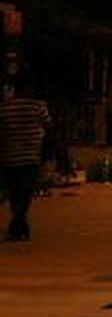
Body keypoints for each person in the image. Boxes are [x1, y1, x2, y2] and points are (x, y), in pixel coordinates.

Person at [1, 75, 52, 241]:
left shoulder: (5, 108)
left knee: (15, 194)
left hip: (10, 157)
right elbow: (49, 127)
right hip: (30, 157)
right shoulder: (38, 106)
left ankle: (19, 226)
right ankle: (18, 224)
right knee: (25, 193)